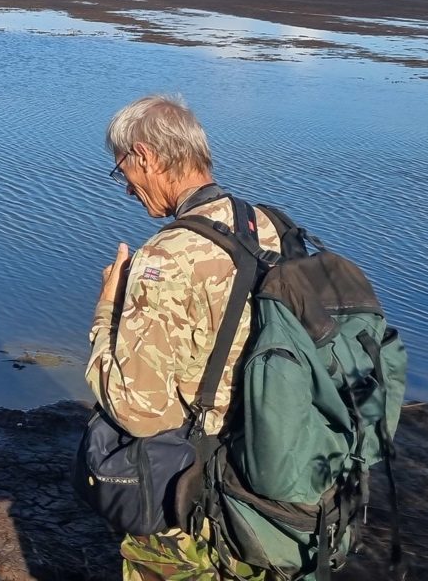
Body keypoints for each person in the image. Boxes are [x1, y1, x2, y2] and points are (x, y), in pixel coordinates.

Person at [88, 95, 283, 580]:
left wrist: (108, 307)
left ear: (144, 156)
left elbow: (138, 411)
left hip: (198, 485)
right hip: (272, 469)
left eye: (121, 170)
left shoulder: (165, 258)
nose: (127, 187)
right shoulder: (267, 226)